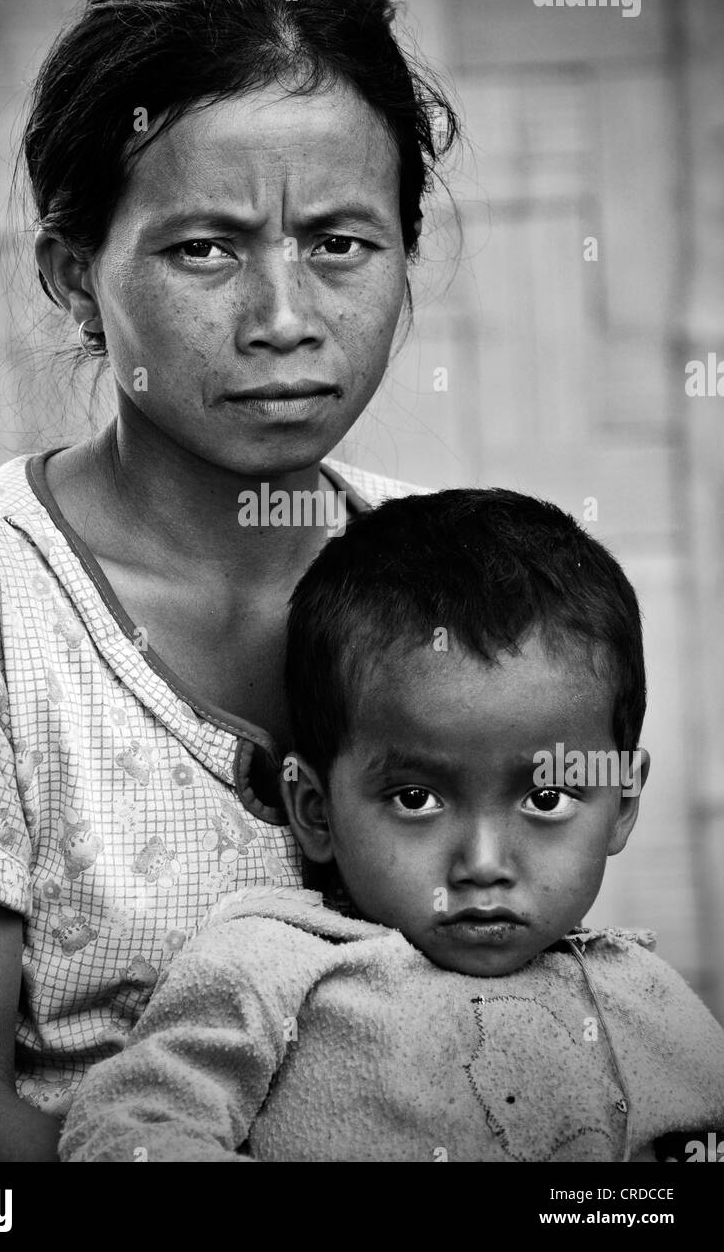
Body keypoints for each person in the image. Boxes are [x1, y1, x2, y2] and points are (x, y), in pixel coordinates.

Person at [0, 0, 453, 1160]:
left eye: (341, 244)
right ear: (75, 274)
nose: (284, 317)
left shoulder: (458, 576)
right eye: (203, 250)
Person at [58, 489, 724, 1163]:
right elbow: (127, 1133)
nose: (483, 863)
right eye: (414, 799)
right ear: (315, 812)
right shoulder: (272, 969)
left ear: (621, 802)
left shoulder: (647, 998)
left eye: (546, 798)